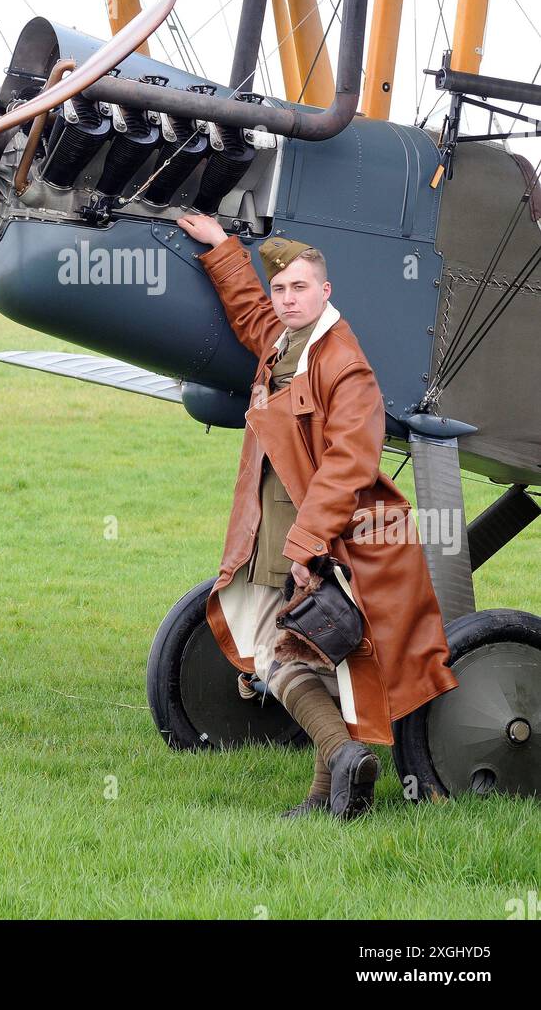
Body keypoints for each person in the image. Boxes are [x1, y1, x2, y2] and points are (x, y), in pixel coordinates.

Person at [176, 210, 458, 819]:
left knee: (297, 651)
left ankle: (339, 759)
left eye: (298, 287)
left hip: (334, 534)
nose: (286, 298)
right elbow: (251, 314)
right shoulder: (285, 339)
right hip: (277, 523)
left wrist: (307, 545)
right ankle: (331, 790)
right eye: (281, 288)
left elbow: (350, 464)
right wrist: (224, 247)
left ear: (325, 291)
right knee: (297, 648)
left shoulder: (344, 363)